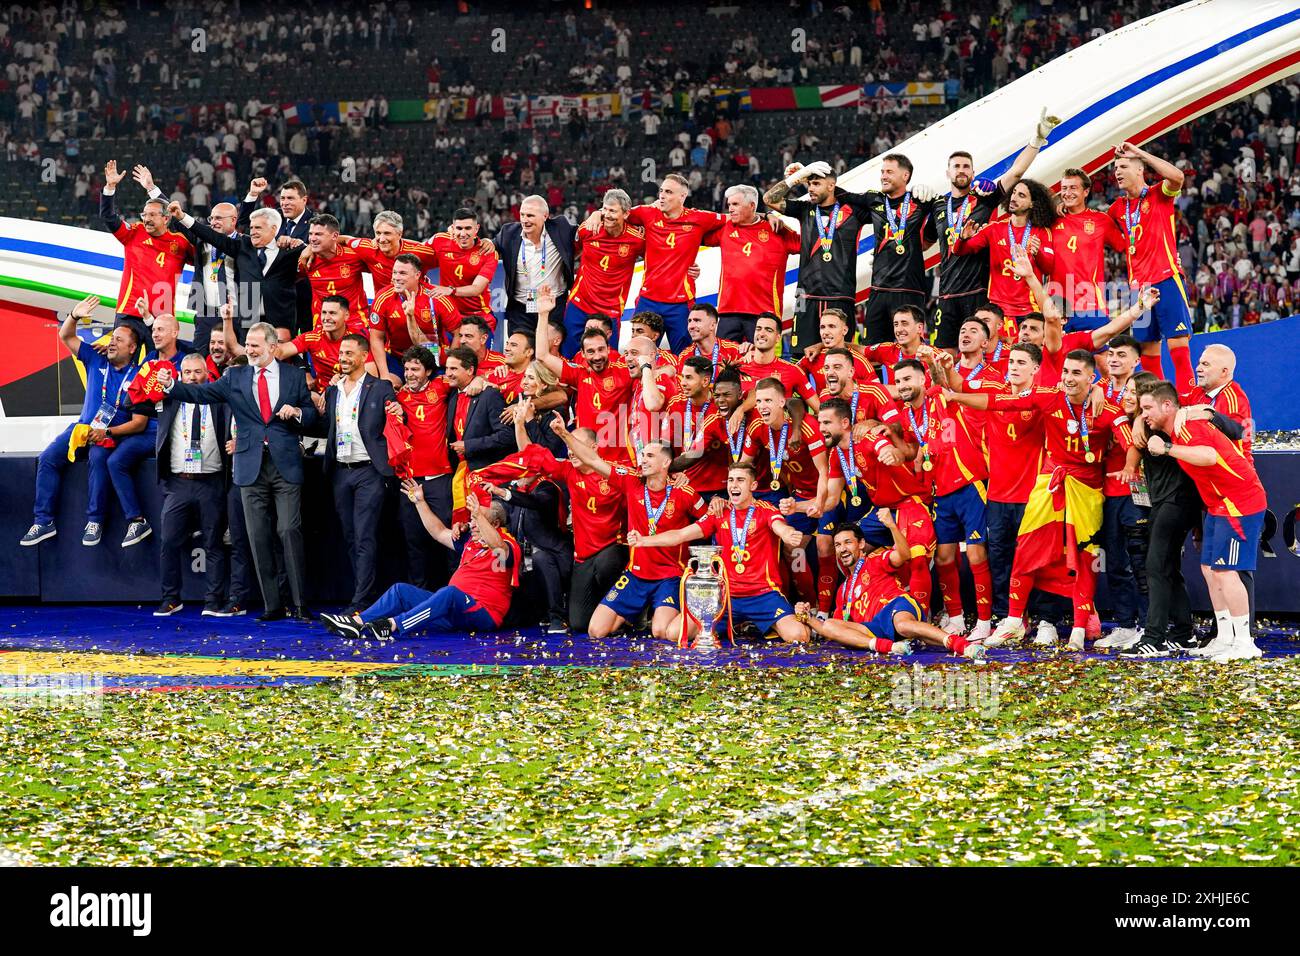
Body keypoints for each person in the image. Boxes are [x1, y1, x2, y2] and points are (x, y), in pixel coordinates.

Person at [946, 350, 1130, 650]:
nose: (1069, 378)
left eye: (1076, 373)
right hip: (1043, 486)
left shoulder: (1104, 408)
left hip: (1086, 489)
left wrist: (1131, 466)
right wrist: (956, 396)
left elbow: (1131, 439)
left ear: (1091, 378)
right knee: (1027, 552)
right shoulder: (1047, 397)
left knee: (1083, 558)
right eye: (1066, 372)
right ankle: (1014, 620)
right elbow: (996, 402)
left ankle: (1074, 628)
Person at [154, 321, 319, 623]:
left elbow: (312, 418)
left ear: (272, 347)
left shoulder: (294, 377)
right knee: (257, 536)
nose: (250, 350)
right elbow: (201, 394)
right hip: (249, 466)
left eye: (256, 345)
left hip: (285, 464)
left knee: (288, 531)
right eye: (248, 344)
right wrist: (170, 386)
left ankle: (299, 603)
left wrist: (296, 413)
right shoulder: (235, 376)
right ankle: (273, 606)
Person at [1138, 381, 1267, 661]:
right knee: (1210, 569)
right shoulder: (1181, 422)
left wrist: (1168, 448)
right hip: (1218, 504)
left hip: (1239, 502)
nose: (1143, 414)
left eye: (1147, 408)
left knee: (1226, 571)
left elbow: (1209, 457)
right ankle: (1225, 637)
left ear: (1168, 406)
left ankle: (1245, 643)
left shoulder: (1187, 427)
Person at [550, 425, 706, 641]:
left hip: (669, 575)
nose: (643, 459)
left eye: (650, 456)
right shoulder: (631, 480)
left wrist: (717, 501)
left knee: (661, 631)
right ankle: (635, 612)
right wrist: (565, 435)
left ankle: (696, 615)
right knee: (595, 631)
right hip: (636, 574)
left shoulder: (684, 492)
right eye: (642, 454)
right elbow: (594, 461)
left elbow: (708, 521)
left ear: (666, 463)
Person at [626, 462, 809, 645]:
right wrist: (644, 541)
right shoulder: (718, 513)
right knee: (674, 632)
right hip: (725, 596)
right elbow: (681, 534)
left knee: (799, 636)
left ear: (753, 486)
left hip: (763, 594)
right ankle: (737, 623)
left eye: (740, 480)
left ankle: (778, 621)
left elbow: (779, 526)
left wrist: (787, 534)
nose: (733, 485)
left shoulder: (766, 509)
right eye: (730, 480)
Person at [925, 112, 1058, 350]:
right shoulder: (937, 206)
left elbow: (1015, 173)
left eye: (966, 166)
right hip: (946, 292)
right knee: (945, 353)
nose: (961, 170)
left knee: (980, 351)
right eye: (956, 166)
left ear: (973, 173)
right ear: (948, 173)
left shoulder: (984, 199)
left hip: (977, 292)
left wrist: (1036, 141)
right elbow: (924, 243)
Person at [21, 295, 141, 547]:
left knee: (98, 460)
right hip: (82, 429)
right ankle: (43, 521)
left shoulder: (139, 373)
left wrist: (109, 433)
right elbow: (66, 337)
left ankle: (95, 520)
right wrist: (74, 317)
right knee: (48, 459)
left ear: (132, 348)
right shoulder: (96, 359)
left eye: (119, 340)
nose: (111, 342)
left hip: (111, 433)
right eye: (111, 337)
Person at [322, 489, 520, 640]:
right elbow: (438, 532)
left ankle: (392, 626)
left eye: (478, 519)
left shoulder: (507, 546)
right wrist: (420, 502)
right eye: (473, 519)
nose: (473, 524)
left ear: (495, 524)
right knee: (401, 591)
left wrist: (478, 515)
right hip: (454, 611)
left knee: (449, 593)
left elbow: (499, 548)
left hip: (482, 614)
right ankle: (356, 623)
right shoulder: (471, 543)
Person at [899, 355, 994, 643]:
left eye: (908, 379)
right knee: (943, 556)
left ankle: (985, 621)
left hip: (969, 485)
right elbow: (916, 446)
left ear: (921, 379)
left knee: (977, 554)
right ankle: (955, 617)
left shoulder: (938, 396)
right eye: (899, 381)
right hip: (941, 494)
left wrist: (937, 365)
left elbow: (945, 383)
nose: (903, 385)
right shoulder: (906, 416)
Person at [796, 519, 985, 659]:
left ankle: (961, 645)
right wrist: (807, 618)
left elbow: (903, 554)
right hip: (875, 628)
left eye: (848, 542)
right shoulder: (843, 590)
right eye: (837, 545)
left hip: (896, 606)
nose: (842, 549)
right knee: (829, 624)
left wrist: (892, 526)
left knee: (902, 625)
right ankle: (889, 647)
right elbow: (836, 630)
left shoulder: (876, 560)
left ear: (861, 544)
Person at [586, 173, 726, 351]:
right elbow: (619, 211)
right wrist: (597, 213)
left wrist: (767, 215)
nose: (662, 195)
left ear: (682, 196)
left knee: (684, 356)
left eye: (668, 192)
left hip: (681, 303)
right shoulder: (648, 213)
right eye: (661, 191)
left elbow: (735, 218)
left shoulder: (699, 218)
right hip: (648, 300)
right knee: (638, 353)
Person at [312, 334, 396, 614]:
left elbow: (396, 423)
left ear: (363, 357)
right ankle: (364, 592)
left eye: (349, 353)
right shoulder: (333, 391)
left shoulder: (381, 388)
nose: (344, 359)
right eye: (341, 354)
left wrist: (398, 410)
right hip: (340, 472)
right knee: (350, 536)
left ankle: (362, 601)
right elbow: (326, 426)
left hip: (369, 471)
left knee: (364, 535)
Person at [1107, 142, 1194, 386]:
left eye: (1123, 166)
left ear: (1139, 170)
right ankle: (1156, 405)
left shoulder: (1159, 195)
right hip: (1138, 289)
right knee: (1147, 350)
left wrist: (1139, 152)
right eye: (1115, 168)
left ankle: (1187, 404)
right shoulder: (1116, 209)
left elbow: (1177, 176)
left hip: (1166, 278)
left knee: (1178, 344)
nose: (1117, 172)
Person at [154, 352, 230, 616]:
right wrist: (160, 383)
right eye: (188, 373)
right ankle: (171, 598)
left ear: (207, 374)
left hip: (212, 481)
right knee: (169, 542)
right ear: (180, 375)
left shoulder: (220, 400)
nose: (193, 378)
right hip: (179, 483)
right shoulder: (168, 398)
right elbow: (131, 402)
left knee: (214, 543)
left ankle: (213, 601)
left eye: (198, 372)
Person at [742, 377, 828, 603]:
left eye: (768, 400)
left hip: (827, 493)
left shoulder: (807, 426)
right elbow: (744, 464)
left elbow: (824, 471)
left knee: (827, 547)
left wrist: (819, 504)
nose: (762, 406)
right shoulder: (758, 427)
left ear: (782, 402)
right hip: (799, 496)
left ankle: (824, 609)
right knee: (793, 550)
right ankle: (807, 605)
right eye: (759, 401)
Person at [169, 199, 307, 339]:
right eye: (251, 228)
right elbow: (206, 233)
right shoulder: (241, 247)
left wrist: (304, 247)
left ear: (273, 229)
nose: (252, 232)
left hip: (277, 322)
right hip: (238, 318)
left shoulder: (289, 249)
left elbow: (317, 253)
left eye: (257, 228)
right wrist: (181, 216)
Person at [100, 161, 193, 357]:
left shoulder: (181, 243)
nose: (146, 219)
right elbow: (109, 217)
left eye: (152, 215)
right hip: (129, 313)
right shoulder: (135, 233)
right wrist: (110, 188)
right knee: (121, 362)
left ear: (166, 219)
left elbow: (183, 219)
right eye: (144, 214)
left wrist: (152, 189)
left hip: (162, 317)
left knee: (157, 369)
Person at [949, 178, 1057, 336]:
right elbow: (959, 251)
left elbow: (1048, 268)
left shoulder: (1041, 232)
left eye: (1021, 195)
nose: (1013, 198)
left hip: (1028, 309)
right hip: (997, 311)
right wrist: (962, 239)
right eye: (1013, 192)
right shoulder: (995, 228)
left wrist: (1038, 251)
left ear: (1033, 203)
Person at [703, 184, 801, 344]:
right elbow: (693, 232)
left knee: (761, 363)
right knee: (724, 363)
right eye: (729, 205)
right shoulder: (725, 228)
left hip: (764, 313)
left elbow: (810, 244)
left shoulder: (776, 229)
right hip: (729, 311)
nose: (730, 209)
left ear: (752, 206)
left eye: (735, 204)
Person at [538, 313, 634, 462]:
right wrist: (543, 314)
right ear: (582, 354)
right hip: (587, 458)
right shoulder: (579, 374)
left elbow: (661, 368)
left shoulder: (625, 372)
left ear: (609, 349)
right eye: (590, 351)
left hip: (620, 460)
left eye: (601, 349)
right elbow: (542, 356)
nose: (597, 356)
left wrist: (663, 369)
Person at [562, 188, 645, 358]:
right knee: (569, 356)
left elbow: (656, 259)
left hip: (610, 308)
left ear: (626, 214)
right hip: (580, 303)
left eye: (613, 211)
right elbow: (570, 253)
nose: (607, 215)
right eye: (605, 209)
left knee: (608, 358)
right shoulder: (589, 228)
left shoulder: (637, 239)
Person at [1050, 167, 1126, 331]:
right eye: (1064, 188)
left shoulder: (1100, 220)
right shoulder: (1051, 220)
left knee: (1099, 357)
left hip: (1090, 306)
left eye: (1073, 188)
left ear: (1086, 191)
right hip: (1057, 308)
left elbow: (1124, 246)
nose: (1067, 193)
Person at [493, 194, 577, 338]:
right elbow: (488, 246)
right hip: (520, 310)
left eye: (530, 215)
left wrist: (596, 214)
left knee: (551, 354)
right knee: (520, 354)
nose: (525, 220)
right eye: (522, 215)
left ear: (545, 216)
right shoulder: (508, 233)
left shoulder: (561, 228)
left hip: (554, 308)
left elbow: (585, 232)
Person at [239, 176, 313, 334]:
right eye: (283, 198)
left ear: (304, 200)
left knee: (306, 346)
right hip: (273, 302)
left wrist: (302, 244)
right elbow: (244, 224)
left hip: (304, 298)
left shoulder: (315, 223)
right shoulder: (274, 217)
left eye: (291, 198)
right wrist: (253, 194)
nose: (285, 203)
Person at [368, 253, 458, 382]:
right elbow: (376, 338)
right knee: (388, 387)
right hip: (398, 359)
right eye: (394, 273)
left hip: (431, 358)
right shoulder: (383, 297)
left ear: (417, 275)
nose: (396, 278)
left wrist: (451, 364)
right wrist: (385, 376)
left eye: (402, 273)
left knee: (441, 390)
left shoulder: (436, 297)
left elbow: (458, 331)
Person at [427, 208, 501, 334]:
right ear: (453, 228)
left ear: (476, 229)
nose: (463, 233)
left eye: (468, 228)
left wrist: (450, 290)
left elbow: (477, 288)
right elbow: (417, 255)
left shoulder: (487, 252)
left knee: (477, 354)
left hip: (478, 316)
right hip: (448, 314)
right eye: (459, 228)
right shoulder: (439, 241)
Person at [296, 213, 370, 333]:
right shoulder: (306, 260)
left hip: (355, 323)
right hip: (323, 325)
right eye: (311, 234)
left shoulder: (354, 255)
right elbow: (286, 282)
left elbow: (380, 267)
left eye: (318, 234)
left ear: (335, 236)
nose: (312, 238)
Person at [796, 308, 878, 393]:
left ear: (845, 330)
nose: (826, 332)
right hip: (822, 406)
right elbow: (789, 376)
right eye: (822, 327)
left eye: (832, 326)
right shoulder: (812, 356)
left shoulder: (860, 361)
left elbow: (876, 393)